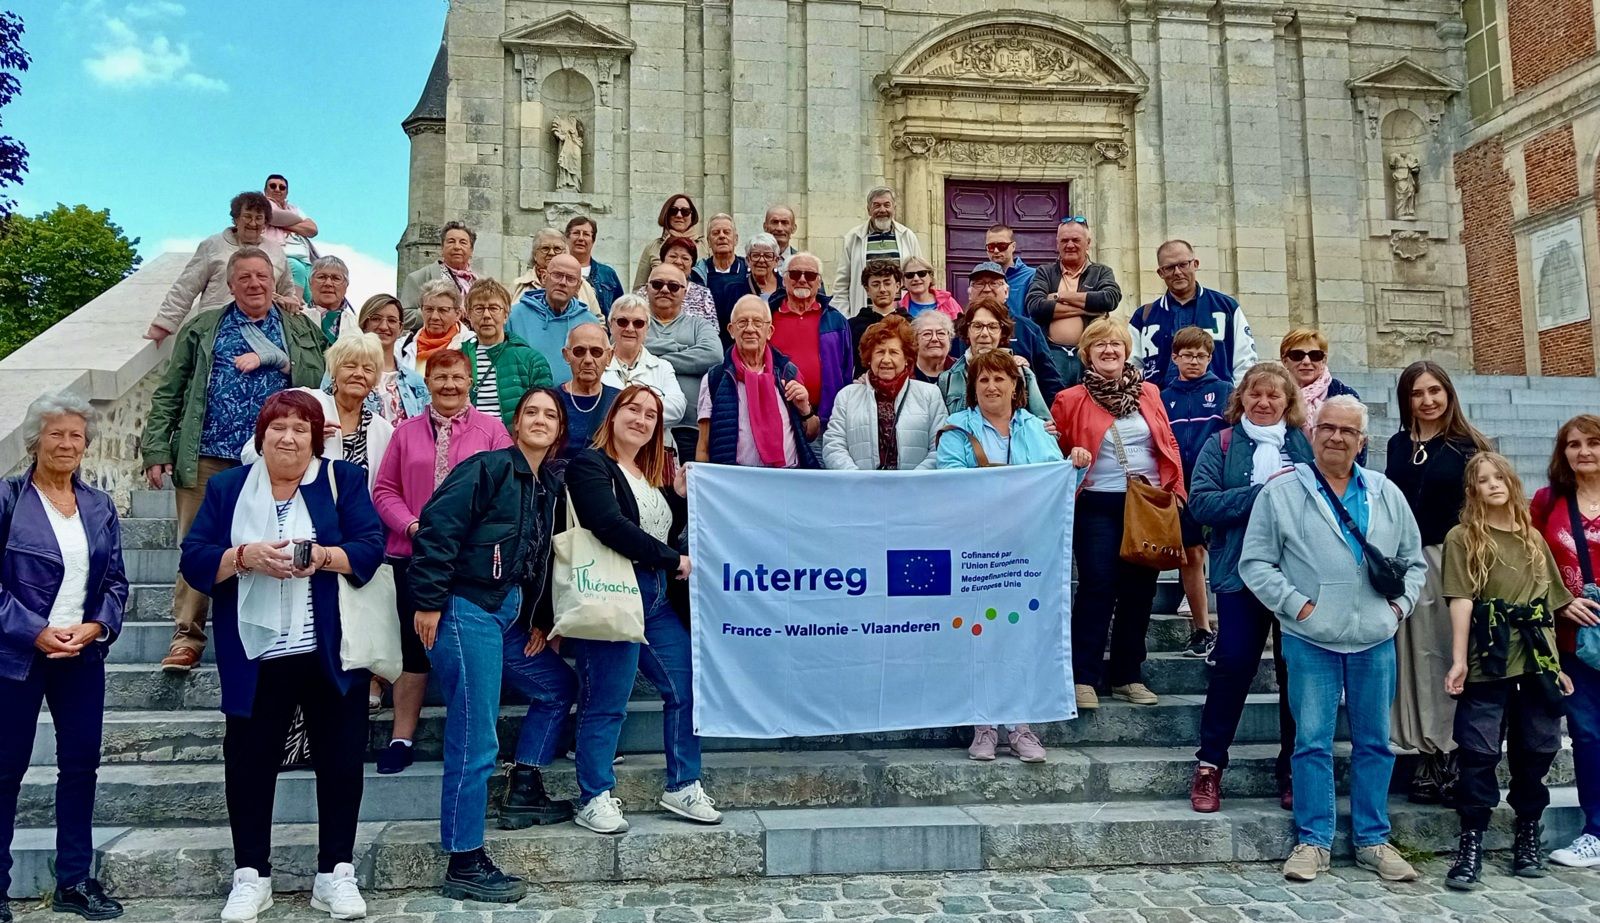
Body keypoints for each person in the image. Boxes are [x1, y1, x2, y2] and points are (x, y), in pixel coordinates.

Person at [178, 391, 385, 923]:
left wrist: (323, 556)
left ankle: (334, 873)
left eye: (300, 428)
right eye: (278, 428)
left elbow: (369, 546)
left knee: (340, 764)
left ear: (316, 437)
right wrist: (242, 556)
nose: (289, 437)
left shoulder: (341, 481)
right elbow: (196, 557)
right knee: (249, 766)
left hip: (329, 653)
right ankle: (251, 876)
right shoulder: (227, 488)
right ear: (260, 435)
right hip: (256, 653)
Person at [1238, 394, 1426, 885]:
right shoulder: (1281, 493)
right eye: (1328, 428)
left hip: (1373, 637)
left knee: (1374, 743)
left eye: (1347, 431)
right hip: (1310, 636)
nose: (1337, 437)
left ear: (1362, 441)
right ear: (1312, 432)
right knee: (1311, 743)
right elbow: (1255, 562)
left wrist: (1397, 609)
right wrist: (1299, 606)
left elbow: (1415, 562)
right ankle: (1313, 841)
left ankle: (1373, 840)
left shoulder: (1387, 493)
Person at [408, 388, 580, 901]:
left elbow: (540, 561)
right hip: (465, 611)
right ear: (515, 421)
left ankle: (524, 785)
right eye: (532, 412)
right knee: (474, 734)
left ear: (559, 430)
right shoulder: (487, 468)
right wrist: (429, 600)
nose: (540, 420)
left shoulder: (549, 485)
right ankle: (464, 860)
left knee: (557, 685)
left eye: (551, 415)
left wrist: (536, 619)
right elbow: (438, 528)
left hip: (507, 619)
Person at [143, 247, 328, 674]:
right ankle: (187, 636)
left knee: (278, 540)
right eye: (244, 277)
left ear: (274, 281)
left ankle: (278, 633)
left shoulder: (298, 329)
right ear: (230, 285)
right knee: (197, 544)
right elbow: (171, 389)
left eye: (262, 276)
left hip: (277, 460)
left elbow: (322, 379)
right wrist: (157, 446)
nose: (254, 284)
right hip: (208, 454)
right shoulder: (204, 327)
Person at [567, 386, 721, 834]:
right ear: (613, 416)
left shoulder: (648, 474)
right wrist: (674, 561)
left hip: (654, 596)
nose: (641, 418)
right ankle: (593, 795)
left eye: (651, 414)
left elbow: (658, 526)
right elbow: (609, 524)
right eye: (632, 409)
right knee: (607, 700)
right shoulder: (589, 465)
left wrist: (675, 495)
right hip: (613, 587)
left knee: (685, 688)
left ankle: (683, 786)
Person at [0, 394, 127, 922]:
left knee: (81, 768)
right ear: (36, 441)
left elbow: (116, 582)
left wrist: (98, 625)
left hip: (82, 655)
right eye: (57, 434)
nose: (68, 444)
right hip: (16, 656)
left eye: (77, 435)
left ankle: (75, 880)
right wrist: (34, 631)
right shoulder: (7, 499)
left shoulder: (99, 505)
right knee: (5, 770)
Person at [1442, 452, 1589, 889]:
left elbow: (1549, 605)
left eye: (1499, 477)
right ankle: (1471, 842)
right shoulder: (1463, 537)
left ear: (1511, 481)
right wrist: (1458, 659)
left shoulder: (1532, 538)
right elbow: (1462, 601)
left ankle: (1528, 833)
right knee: (1479, 752)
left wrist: (1556, 666)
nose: (1493, 485)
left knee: (1538, 750)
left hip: (1536, 661)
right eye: (1483, 480)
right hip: (1489, 657)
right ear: (1473, 490)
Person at [370, 350, 512, 776]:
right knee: (414, 649)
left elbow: (505, 493)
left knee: (463, 653)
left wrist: (466, 539)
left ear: (470, 381)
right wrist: (413, 526)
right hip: (412, 555)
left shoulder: (492, 431)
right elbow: (384, 490)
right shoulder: (405, 432)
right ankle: (402, 736)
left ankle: (467, 739)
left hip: (469, 563)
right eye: (440, 377)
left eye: (457, 377)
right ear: (427, 382)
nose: (449, 385)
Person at [1186, 362, 1311, 815]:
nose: (1263, 403)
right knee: (1234, 664)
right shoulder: (1220, 443)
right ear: (1241, 399)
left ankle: (1292, 768)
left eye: (1273, 396)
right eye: (1255, 395)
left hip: (1296, 577)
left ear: (1288, 403)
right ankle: (1209, 765)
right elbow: (1201, 502)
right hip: (1240, 574)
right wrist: (1262, 494)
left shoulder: (1304, 444)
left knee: (1294, 670)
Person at [936, 348, 1062, 761]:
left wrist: (1074, 463)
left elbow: (1052, 479)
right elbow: (950, 479)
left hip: (1025, 552)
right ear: (973, 387)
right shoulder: (957, 427)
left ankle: (1021, 726)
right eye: (984, 380)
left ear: (1015, 386)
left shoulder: (1034, 428)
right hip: (976, 549)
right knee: (980, 636)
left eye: (1000, 379)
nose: (992, 386)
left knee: (1020, 635)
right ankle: (984, 726)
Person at [1054, 317, 1185, 711]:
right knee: (1097, 585)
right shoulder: (1071, 398)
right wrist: (1070, 456)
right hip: (1097, 502)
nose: (1109, 350)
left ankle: (1128, 675)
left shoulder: (1149, 392)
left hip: (1145, 504)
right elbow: (1058, 450)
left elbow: (1167, 440)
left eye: (1116, 344)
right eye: (1100, 345)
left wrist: (1175, 490)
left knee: (1139, 591)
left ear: (1127, 350)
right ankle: (1083, 677)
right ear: (1087, 354)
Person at [1386, 360, 1488, 805]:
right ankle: (1418, 753)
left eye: (1434, 391)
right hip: (1405, 563)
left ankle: (1448, 754)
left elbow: (1483, 511)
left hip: (1449, 561)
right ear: (1406, 400)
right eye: (1417, 393)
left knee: (1445, 657)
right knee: (1409, 661)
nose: (1427, 401)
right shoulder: (1396, 445)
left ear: (1448, 393)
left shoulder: (1468, 448)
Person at [1530, 415, 1600, 869]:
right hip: (1573, 639)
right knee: (1589, 733)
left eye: (1593, 442)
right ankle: (1595, 830)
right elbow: (1530, 560)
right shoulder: (1547, 501)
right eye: (1573, 444)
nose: (1584, 451)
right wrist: (1560, 603)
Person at [246, 333, 396, 492]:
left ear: (375, 380)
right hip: (298, 509)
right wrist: (302, 437)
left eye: (368, 369)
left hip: (355, 514)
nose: (359, 373)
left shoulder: (384, 431)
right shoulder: (301, 402)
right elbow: (250, 454)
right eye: (350, 366)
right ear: (334, 372)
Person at [146, 191, 301, 343]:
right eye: (247, 216)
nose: (253, 223)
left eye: (259, 218)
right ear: (235, 219)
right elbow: (187, 286)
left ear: (265, 223)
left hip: (264, 333)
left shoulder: (276, 251)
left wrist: (290, 301)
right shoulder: (213, 245)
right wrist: (165, 323)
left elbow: (287, 290)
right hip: (216, 329)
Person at [1162, 328, 1233, 656]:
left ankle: (1231, 628)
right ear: (1175, 357)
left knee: (1221, 553)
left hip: (1217, 487)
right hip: (1181, 488)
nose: (1194, 361)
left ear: (1210, 357)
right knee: (1191, 556)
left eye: (1201, 355)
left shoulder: (1225, 392)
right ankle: (1201, 628)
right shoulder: (1163, 396)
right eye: (1187, 355)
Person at [696, 295, 820, 468]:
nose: (750, 329)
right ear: (731, 330)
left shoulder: (787, 372)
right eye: (742, 322)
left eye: (757, 322)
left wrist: (805, 408)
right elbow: (703, 446)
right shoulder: (714, 378)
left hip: (787, 478)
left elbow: (811, 435)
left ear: (769, 331)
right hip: (736, 482)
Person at [823, 314, 946, 470]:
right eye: (880, 352)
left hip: (916, 489)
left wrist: (912, 481)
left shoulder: (930, 395)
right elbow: (833, 445)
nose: (886, 359)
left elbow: (941, 446)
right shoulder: (847, 396)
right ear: (869, 358)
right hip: (860, 489)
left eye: (894, 352)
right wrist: (859, 480)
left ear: (907, 358)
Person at [1131, 240, 1256, 386]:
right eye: (1169, 267)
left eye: (1183, 264)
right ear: (1161, 273)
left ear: (1195, 264)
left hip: (1217, 403)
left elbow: (1245, 361)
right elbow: (1132, 365)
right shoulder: (1144, 316)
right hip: (1160, 404)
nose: (1177, 272)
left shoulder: (1226, 307)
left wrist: (1237, 402)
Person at [770, 253, 853, 443]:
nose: (802, 280)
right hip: (780, 417)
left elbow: (846, 370)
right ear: (784, 280)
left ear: (819, 282)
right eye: (795, 274)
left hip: (827, 422)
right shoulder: (767, 317)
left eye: (809, 276)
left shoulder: (836, 320)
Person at [961, 262, 1068, 407]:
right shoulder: (958, 329)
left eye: (994, 283)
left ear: (1006, 292)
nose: (987, 289)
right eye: (979, 284)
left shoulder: (1028, 329)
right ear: (969, 292)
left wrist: (1051, 418)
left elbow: (1049, 379)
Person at [645, 264, 722, 459]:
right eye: (657, 284)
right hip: (641, 427)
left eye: (673, 286)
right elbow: (620, 346)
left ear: (685, 291)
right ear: (647, 288)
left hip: (689, 429)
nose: (664, 290)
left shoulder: (699, 325)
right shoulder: (635, 322)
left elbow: (713, 355)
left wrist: (653, 358)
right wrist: (681, 347)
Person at [1024, 219, 1122, 362]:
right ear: (1057, 244)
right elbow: (1034, 306)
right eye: (1064, 241)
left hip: (1091, 354)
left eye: (1076, 240)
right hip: (1050, 353)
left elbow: (1109, 299)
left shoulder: (1101, 272)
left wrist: (1061, 296)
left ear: (1088, 243)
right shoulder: (1045, 272)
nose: (1070, 245)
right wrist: (1088, 309)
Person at [938, 297, 1050, 421]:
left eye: (992, 326)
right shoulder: (947, 379)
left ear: (1002, 332)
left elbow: (1044, 424)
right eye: (977, 326)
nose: (985, 333)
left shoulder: (1020, 373)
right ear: (967, 330)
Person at [461, 278, 554, 425]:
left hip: (512, 443)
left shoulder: (531, 360)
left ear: (506, 315)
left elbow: (543, 411)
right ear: (469, 316)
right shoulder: (459, 357)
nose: (486, 315)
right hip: (470, 441)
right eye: (479, 308)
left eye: (493, 308)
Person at [508, 253, 598, 383]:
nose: (562, 283)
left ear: (578, 287)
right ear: (544, 278)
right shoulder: (515, 317)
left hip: (574, 401)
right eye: (557, 275)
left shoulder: (589, 323)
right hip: (528, 400)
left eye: (570, 279)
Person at [836, 186, 923, 314]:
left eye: (887, 205)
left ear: (894, 208)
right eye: (876, 205)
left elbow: (920, 277)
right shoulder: (853, 238)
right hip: (864, 316)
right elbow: (842, 284)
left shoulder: (908, 236)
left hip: (900, 316)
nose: (882, 210)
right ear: (868, 210)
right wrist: (845, 318)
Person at [1279, 329, 1363, 461]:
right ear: (1284, 361)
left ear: (1323, 360)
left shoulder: (1344, 395)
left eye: (1315, 355)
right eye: (1297, 355)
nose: (1306, 361)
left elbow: (1357, 447)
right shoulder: (1275, 396)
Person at [602, 294, 686, 425]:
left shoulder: (663, 367)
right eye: (622, 321)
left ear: (647, 328)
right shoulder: (597, 365)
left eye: (638, 323)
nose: (630, 329)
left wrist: (622, 409)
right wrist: (648, 408)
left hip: (655, 444)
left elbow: (677, 409)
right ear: (610, 325)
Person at [347, 294, 431, 425]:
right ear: (364, 324)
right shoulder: (342, 372)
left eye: (391, 320)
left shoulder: (415, 382)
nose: (384, 326)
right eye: (376, 319)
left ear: (401, 328)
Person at [559, 323, 620, 459]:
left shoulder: (621, 401)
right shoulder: (551, 401)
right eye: (579, 351)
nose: (588, 360)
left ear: (609, 357)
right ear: (566, 355)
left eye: (596, 352)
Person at [710, 232, 783, 341]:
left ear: (776, 261)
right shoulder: (732, 291)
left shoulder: (786, 290)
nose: (761, 260)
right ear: (748, 260)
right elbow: (724, 330)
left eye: (768, 256)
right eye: (756, 255)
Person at [401, 221, 478, 316]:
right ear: (442, 248)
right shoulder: (418, 277)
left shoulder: (478, 282)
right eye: (451, 241)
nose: (457, 247)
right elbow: (405, 315)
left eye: (463, 242)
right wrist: (443, 313)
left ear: (471, 250)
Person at [635, 237, 716, 325]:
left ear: (692, 264)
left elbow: (712, 329)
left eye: (685, 258)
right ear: (663, 260)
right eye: (673, 256)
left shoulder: (703, 294)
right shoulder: (644, 292)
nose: (678, 262)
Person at [398, 280, 471, 375]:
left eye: (443, 310)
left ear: (457, 314)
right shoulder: (401, 346)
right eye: (429, 309)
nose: (434, 317)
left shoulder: (471, 346)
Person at [634, 193, 704, 289]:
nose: (679, 215)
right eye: (673, 211)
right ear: (666, 214)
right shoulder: (652, 247)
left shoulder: (705, 246)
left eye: (685, 211)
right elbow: (638, 288)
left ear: (692, 215)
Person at [850, 259, 908, 375]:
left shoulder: (910, 323)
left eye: (887, 283)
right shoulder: (852, 326)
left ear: (897, 287)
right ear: (867, 289)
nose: (882, 289)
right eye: (876, 284)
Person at [565, 215, 624, 317]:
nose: (581, 238)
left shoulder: (607, 274)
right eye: (576, 233)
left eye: (586, 234)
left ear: (593, 240)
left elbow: (621, 309)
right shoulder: (558, 272)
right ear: (567, 237)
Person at [984, 223, 1036, 318]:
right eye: (991, 247)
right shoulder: (980, 278)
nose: (996, 251)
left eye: (1002, 246)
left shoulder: (1031, 276)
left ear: (1013, 246)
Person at [306, 256, 355, 343]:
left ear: (346, 286)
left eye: (336, 278)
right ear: (310, 283)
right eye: (321, 277)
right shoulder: (294, 317)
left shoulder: (358, 326)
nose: (328, 283)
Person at [261, 173, 318, 245]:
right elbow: (272, 216)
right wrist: (298, 221)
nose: (277, 189)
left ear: (287, 192)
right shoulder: (259, 204)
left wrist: (278, 224)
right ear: (265, 190)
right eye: (273, 186)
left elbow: (312, 230)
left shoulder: (295, 209)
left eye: (282, 187)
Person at [691, 213, 747, 287]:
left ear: (736, 239)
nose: (721, 236)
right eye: (715, 233)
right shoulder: (697, 273)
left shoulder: (748, 270)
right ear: (709, 241)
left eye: (726, 232)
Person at [898, 255, 960, 320]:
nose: (916, 278)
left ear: (930, 277)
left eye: (922, 273)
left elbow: (961, 327)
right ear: (903, 281)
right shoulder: (898, 308)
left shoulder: (948, 302)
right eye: (909, 275)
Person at [912, 310, 956, 384]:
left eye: (941, 333)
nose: (934, 339)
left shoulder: (962, 370)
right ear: (915, 340)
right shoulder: (904, 374)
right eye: (927, 334)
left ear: (949, 338)